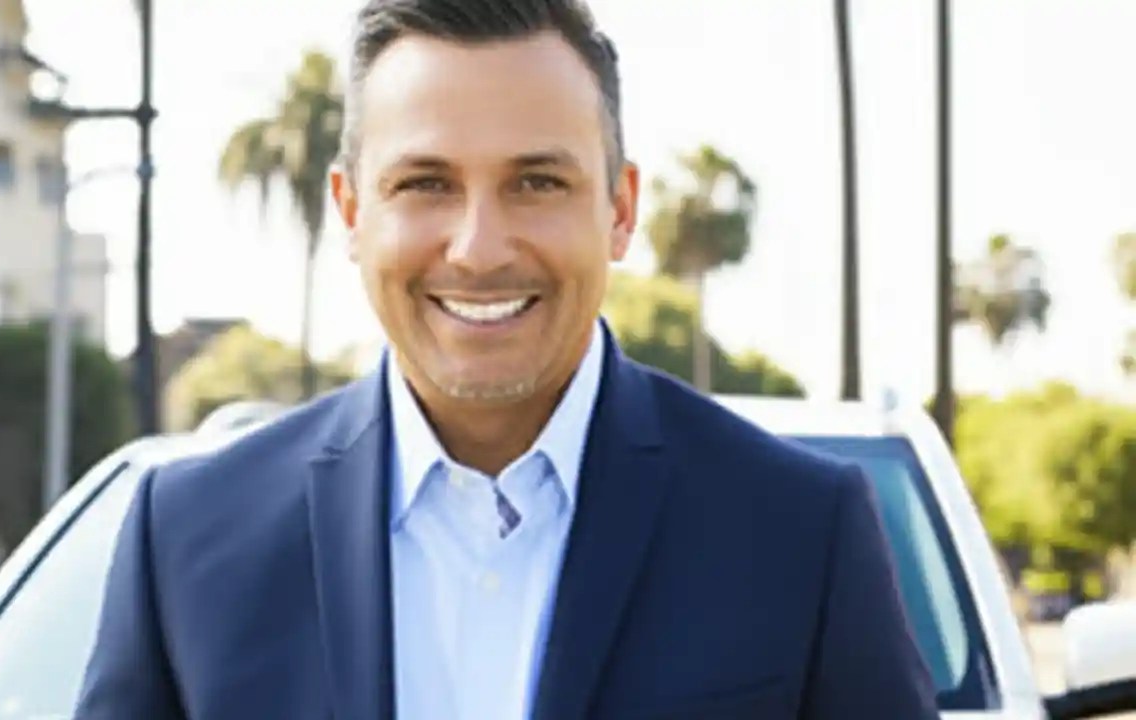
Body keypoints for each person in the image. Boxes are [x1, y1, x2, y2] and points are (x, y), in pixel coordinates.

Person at [74, 0, 941, 718]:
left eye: (536, 183)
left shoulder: (798, 532)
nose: (479, 248)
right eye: (425, 183)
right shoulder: (184, 541)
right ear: (349, 210)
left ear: (620, 207)